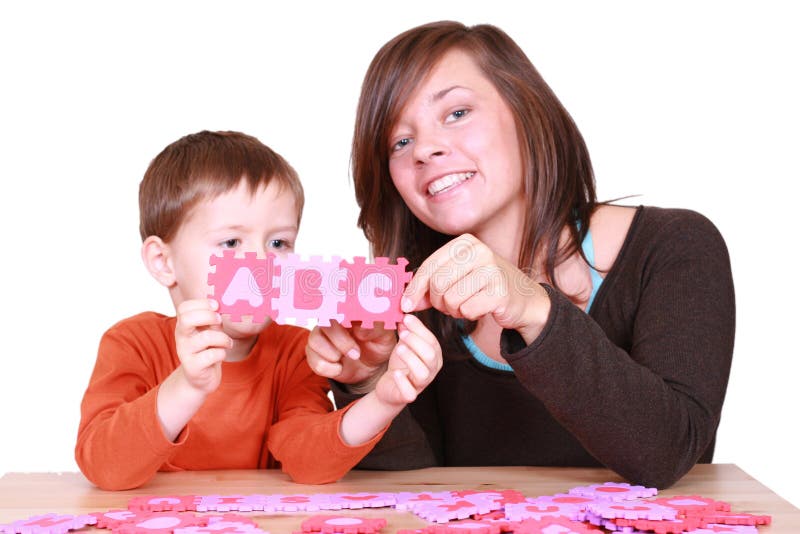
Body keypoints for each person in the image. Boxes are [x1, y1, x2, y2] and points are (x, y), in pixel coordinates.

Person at [305, 21, 735, 489]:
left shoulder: (675, 246)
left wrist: (534, 308)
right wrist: (370, 382)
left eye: (457, 112)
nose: (425, 150)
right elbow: (414, 490)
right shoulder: (414, 303)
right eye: (400, 142)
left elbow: (667, 452)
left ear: (526, 112)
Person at [75, 130, 442, 490]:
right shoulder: (133, 343)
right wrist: (187, 386)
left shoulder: (295, 351)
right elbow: (104, 467)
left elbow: (308, 463)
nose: (261, 262)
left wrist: (383, 400)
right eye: (231, 242)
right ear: (163, 261)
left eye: (279, 242)